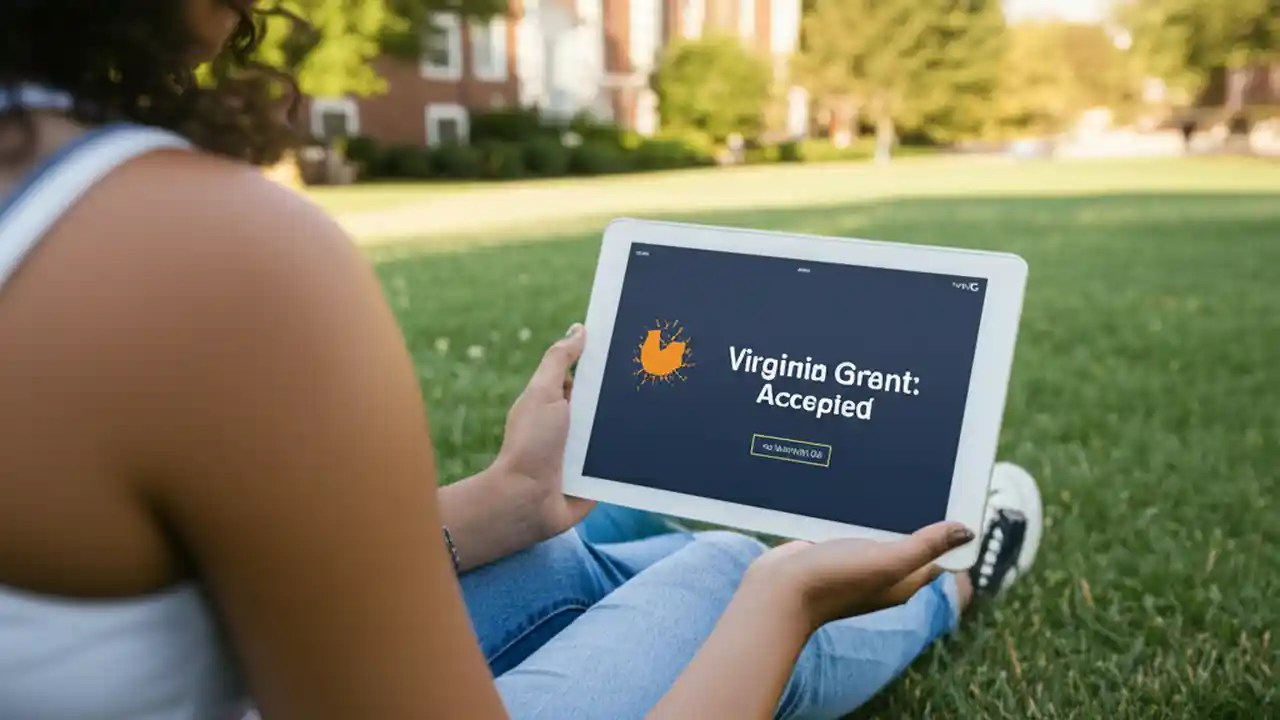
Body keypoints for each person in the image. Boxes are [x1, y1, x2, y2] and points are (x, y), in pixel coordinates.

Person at [0, 2, 1044, 718]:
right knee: (732, 571)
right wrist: (785, 604)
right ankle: (948, 592)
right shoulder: (206, 256)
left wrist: (504, 497)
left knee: (555, 548)